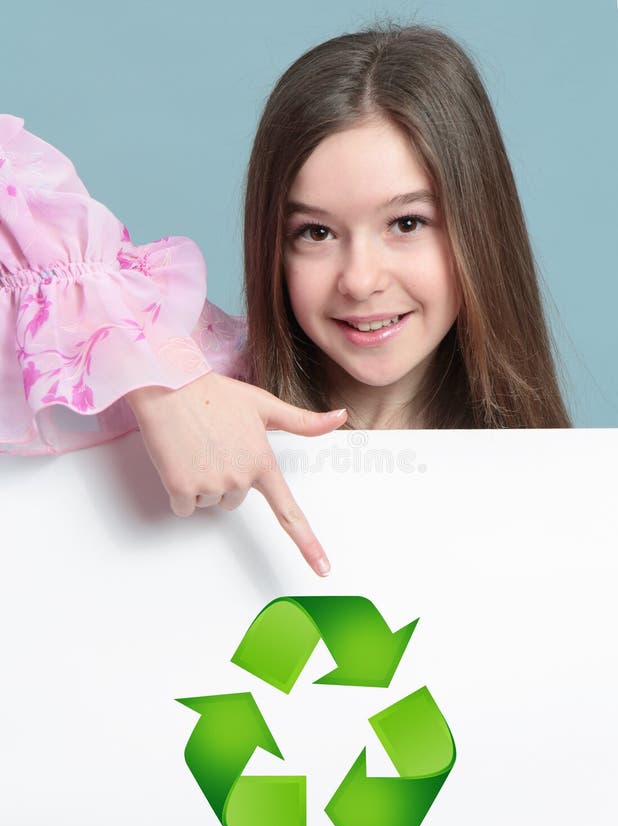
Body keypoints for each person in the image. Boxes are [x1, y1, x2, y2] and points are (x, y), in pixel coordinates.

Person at [0, 23, 571, 575]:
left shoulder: (573, 493)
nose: (360, 280)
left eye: (407, 222)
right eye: (316, 233)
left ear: (480, 229)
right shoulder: (197, 386)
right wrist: (152, 379)